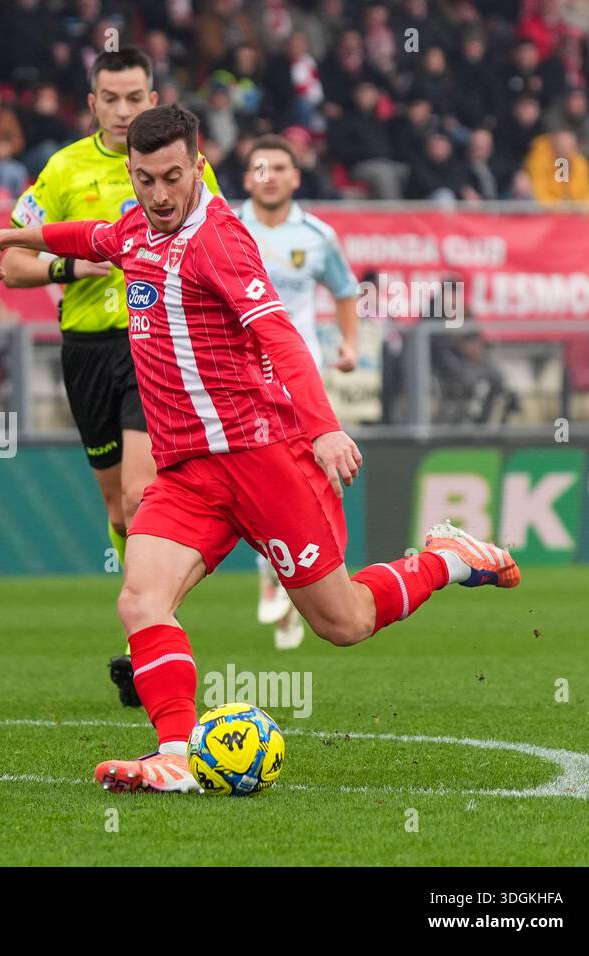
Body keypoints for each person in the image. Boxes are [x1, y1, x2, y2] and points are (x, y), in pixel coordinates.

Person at [0, 105, 520, 794]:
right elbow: (98, 235)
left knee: (342, 621)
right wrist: (10, 233)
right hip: (189, 474)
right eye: (145, 179)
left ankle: (447, 561)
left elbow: (282, 336)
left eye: (174, 177)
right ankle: (174, 753)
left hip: (266, 460)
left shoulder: (221, 243)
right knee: (141, 599)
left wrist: (321, 427)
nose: (160, 194)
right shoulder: (139, 226)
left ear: (199, 167)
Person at [3, 47, 221, 708]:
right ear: (92, 102)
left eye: (135, 98)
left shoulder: (176, 168)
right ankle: (148, 611)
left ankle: (147, 638)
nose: (124, 110)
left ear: (153, 99)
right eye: (111, 98)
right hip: (86, 351)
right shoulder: (63, 169)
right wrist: (72, 269)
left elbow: (220, 241)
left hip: (154, 345)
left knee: (138, 494)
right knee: (116, 509)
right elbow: (11, 264)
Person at [236, 134, 359, 650]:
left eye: (280, 167)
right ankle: (278, 576)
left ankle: (297, 586)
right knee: (264, 480)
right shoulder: (225, 228)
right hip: (240, 377)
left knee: (311, 479)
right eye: (260, 167)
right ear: (247, 179)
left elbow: (347, 289)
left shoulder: (317, 234)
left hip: (299, 376)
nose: (270, 175)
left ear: (295, 177)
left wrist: (349, 344)